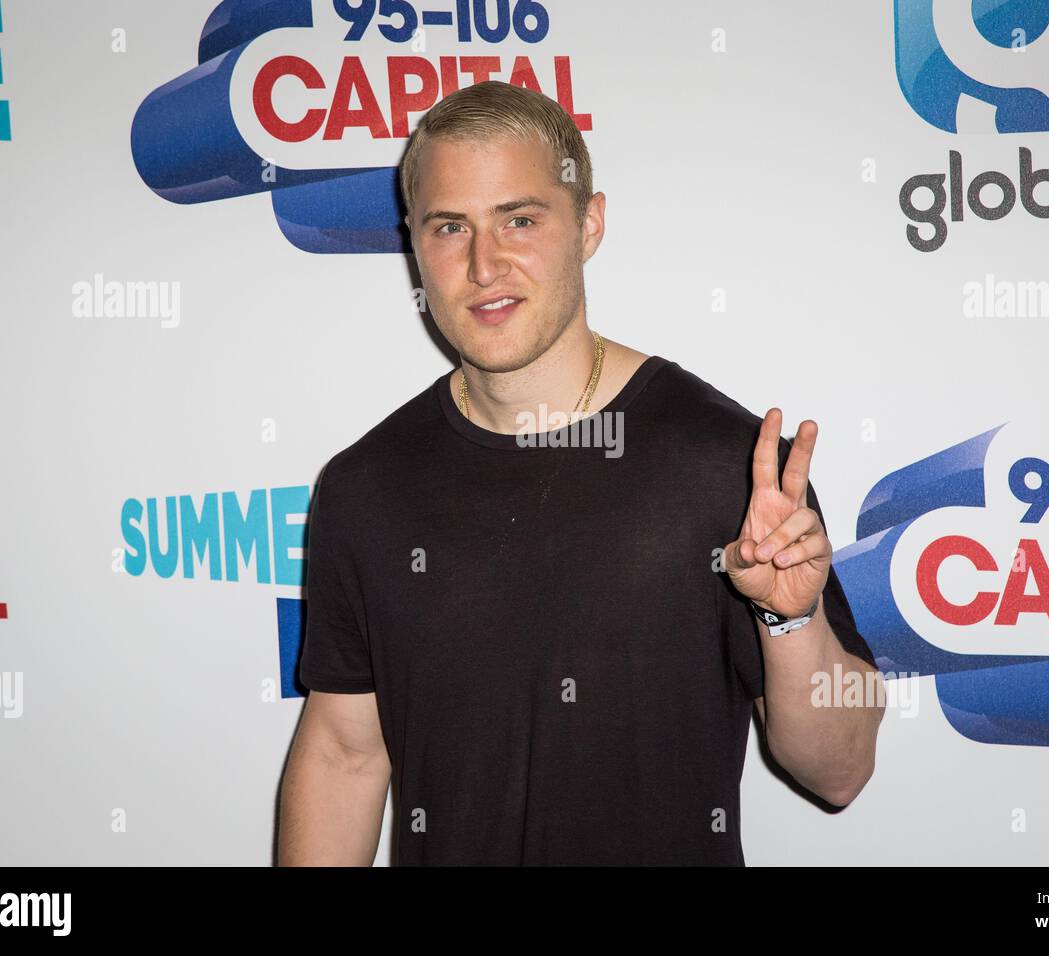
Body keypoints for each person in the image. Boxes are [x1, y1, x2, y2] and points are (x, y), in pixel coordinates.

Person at [278, 81, 884, 866]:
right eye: (449, 226)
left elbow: (840, 771)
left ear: (588, 225)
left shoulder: (729, 464)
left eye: (520, 220)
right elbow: (343, 756)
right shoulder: (366, 488)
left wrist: (791, 622)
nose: (483, 264)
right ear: (414, 245)